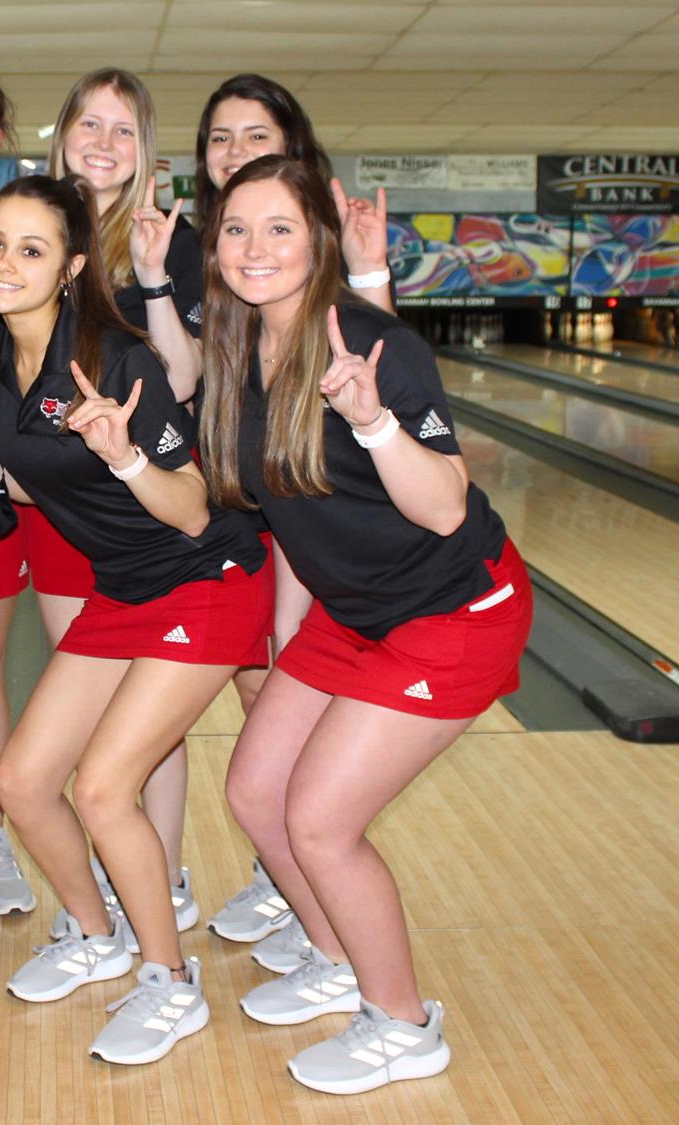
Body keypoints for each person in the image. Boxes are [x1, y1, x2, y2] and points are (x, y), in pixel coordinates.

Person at [199, 156, 532, 1093]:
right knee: (258, 793)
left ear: (320, 239)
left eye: (278, 228)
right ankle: (337, 958)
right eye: (235, 229)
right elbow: (301, 527)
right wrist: (281, 657)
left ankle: (402, 1022)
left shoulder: (377, 348)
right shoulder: (239, 357)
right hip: (354, 616)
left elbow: (441, 510)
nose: (254, 248)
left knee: (319, 821)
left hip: (453, 613)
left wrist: (374, 420)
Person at [0, 176, 271, 1065]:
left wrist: (126, 451)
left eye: (30, 249)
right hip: (128, 587)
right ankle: (97, 935)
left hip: (205, 574)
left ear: (68, 267)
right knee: (23, 781)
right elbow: (41, 476)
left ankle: (169, 984)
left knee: (103, 787)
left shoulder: (117, 357)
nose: (5, 263)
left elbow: (184, 506)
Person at [190, 73, 398, 951]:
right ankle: (298, 874)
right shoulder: (200, 249)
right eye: (221, 138)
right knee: (267, 739)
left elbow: (381, 371)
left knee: (303, 759)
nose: (237, 151)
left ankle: (302, 878)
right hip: (242, 497)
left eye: (256, 134)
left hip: (322, 511)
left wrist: (372, 271)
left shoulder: (305, 250)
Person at [42, 66, 204, 940]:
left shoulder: (167, 239)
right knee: (90, 695)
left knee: (147, 715)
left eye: (124, 130)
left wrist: (148, 275)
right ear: (61, 131)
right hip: (60, 502)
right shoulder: (34, 221)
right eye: (89, 124)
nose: (103, 143)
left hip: (142, 492)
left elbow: (182, 379)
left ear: (147, 150)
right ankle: (110, 882)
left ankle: (163, 877)